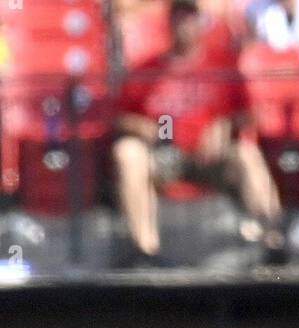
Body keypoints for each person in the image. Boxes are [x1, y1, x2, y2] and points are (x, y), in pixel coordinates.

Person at [113, 0, 284, 267]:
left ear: (199, 22)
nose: (184, 25)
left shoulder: (221, 63)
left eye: (190, 17)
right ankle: (146, 251)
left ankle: (273, 243)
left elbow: (250, 113)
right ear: (169, 22)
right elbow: (119, 117)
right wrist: (143, 127)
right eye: (179, 17)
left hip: (211, 158)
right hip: (165, 156)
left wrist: (225, 125)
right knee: (128, 153)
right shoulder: (147, 70)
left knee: (247, 155)